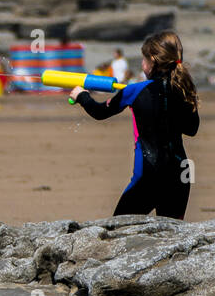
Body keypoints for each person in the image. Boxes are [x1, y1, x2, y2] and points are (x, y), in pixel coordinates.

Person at [67, 30, 200, 220]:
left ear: (152, 60)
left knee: (117, 231)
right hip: (181, 175)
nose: (142, 65)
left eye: (143, 60)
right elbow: (192, 129)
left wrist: (82, 96)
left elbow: (100, 112)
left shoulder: (134, 90)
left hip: (148, 176)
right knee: (172, 237)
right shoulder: (184, 89)